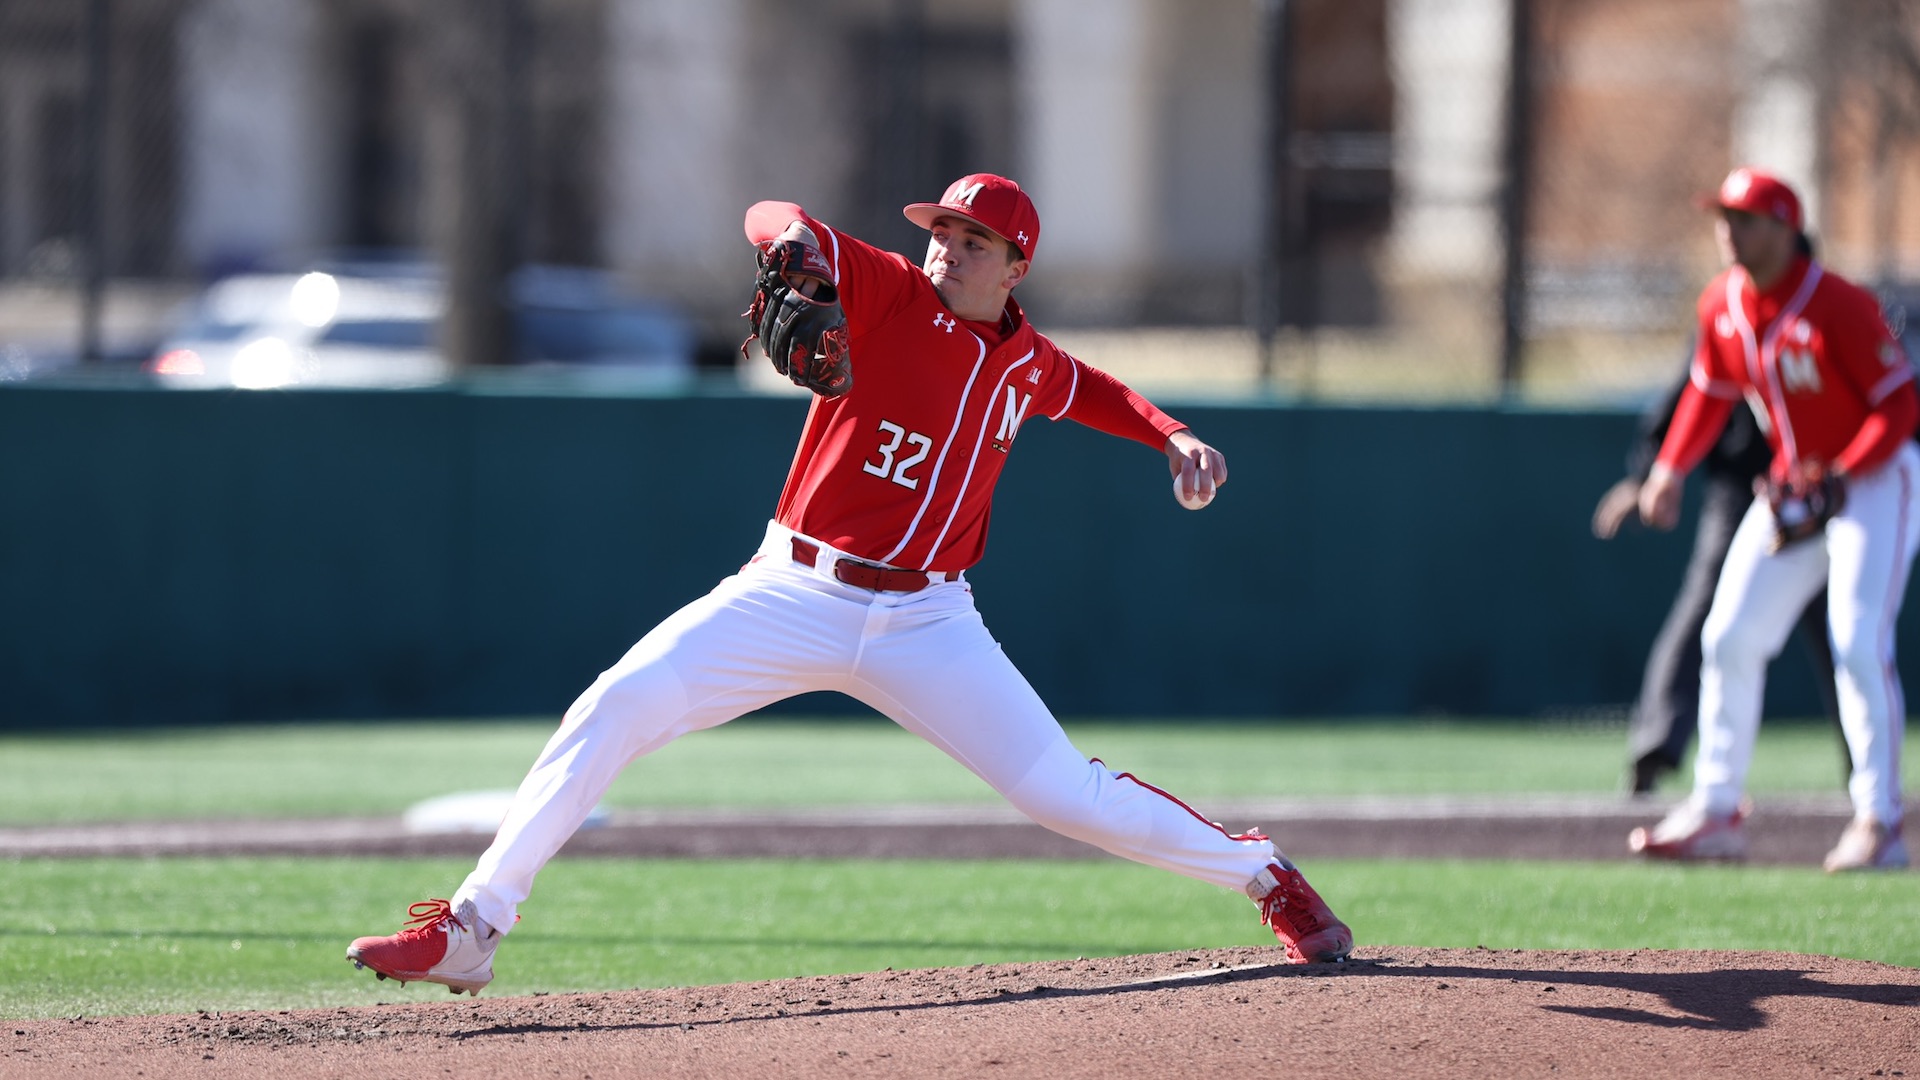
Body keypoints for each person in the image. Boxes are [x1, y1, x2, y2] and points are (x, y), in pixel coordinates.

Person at [343, 173, 1354, 996]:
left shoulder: (1024, 363)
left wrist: (1171, 433)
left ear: (1016, 266)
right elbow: (772, 213)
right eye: (942, 230)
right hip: (793, 592)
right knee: (618, 704)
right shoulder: (887, 289)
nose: (946, 249)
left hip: (929, 619)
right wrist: (795, 250)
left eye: (971, 241)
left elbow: (1085, 385)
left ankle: (1261, 872)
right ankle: (475, 926)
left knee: (1065, 794)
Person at [1628, 166, 1920, 871]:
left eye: (1745, 219)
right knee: (1728, 633)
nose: (1729, 231)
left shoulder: (1837, 303)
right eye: (1723, 217)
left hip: (1876, 479)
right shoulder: (1723, 301)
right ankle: (1718, 811)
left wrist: (1844, 472)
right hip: (1798, 486)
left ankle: (1880, 822)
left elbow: (1900, 407)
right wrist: (1668, 470)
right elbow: (1707, 394)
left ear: (1786, 228)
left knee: (1856, 641)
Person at [1593, 357, 1847, 796]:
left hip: (1816, 486)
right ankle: (1655, 750)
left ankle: (1869, 774)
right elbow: (1696, 390)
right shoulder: (1731, 306)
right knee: (1708, 612)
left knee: (1845, 629)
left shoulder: (1817, 305)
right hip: (1740, 485)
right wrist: (1650, 473)